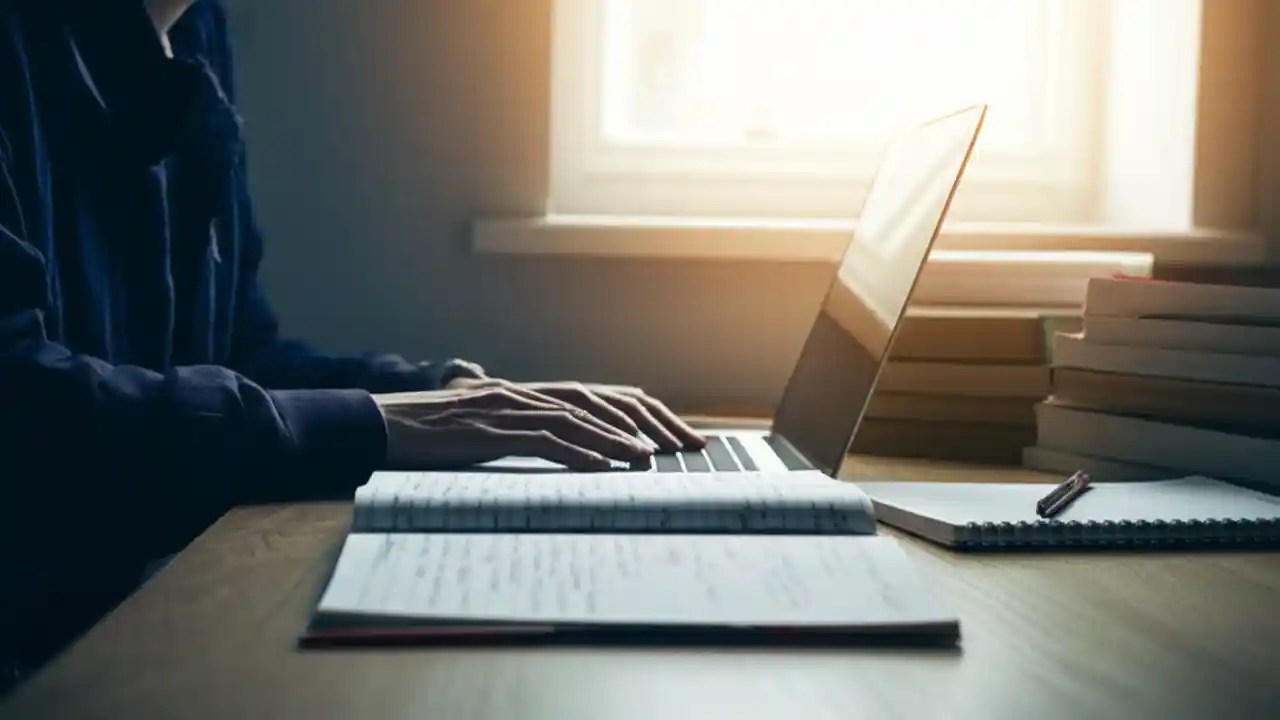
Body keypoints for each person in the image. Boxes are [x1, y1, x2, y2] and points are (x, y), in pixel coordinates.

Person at [0, 0, 703, 685]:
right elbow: (26, 416)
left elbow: (236, 357)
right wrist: (379, 424)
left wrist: (444, 394)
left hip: (112, 630)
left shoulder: (191, 32)